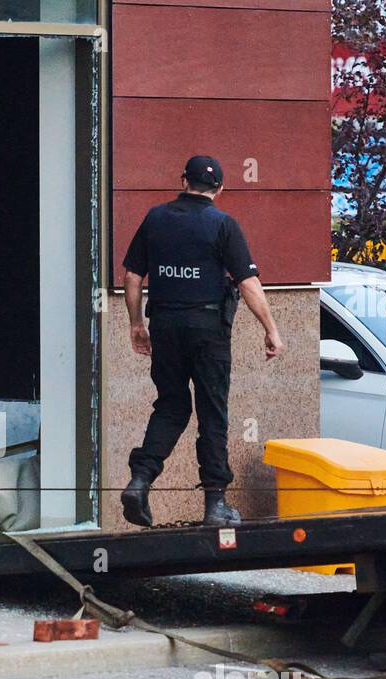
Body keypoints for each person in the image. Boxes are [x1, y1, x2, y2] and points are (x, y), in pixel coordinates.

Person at [120, 155, 285, 527]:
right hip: (208, 328)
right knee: (212, 412)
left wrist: (135, 325)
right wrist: (271, 328)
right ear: (219, 189)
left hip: (163, 324)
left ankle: (140, 479)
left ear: (183, 181)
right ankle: (215, 506)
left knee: (171, 406)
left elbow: (132, 277)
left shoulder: (155, 219)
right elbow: (247, 283)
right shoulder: (223, 224)